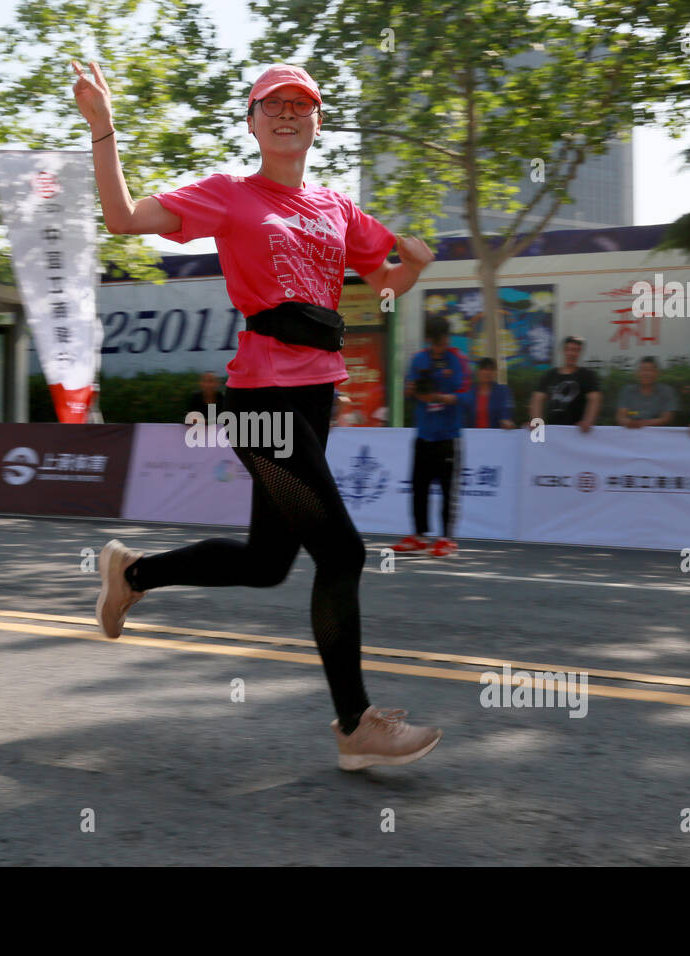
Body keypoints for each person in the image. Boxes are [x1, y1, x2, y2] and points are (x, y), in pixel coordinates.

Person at [73, 59, 443, 770]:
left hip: (314, 395)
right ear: (251, 122)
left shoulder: (339, 208)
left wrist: (415, 265)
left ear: (317, 122)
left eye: (301, 104)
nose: (287, 113)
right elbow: (122, 219)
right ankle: (353, 725)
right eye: (272, 104)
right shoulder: (228, 196)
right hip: (260, 402)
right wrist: (104, 129)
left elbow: (385, 279)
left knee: (268, 562)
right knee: (342, 551)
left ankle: (133, 574)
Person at [391, 315, 469, 557]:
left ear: (448, 337)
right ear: (428, 339)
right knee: (419, 487)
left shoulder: (457, 360)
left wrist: (441, 397)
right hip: (424, 435)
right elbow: (408, 390)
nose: (439, 346)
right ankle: (419, 535)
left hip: (447, 436)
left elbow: (467, 395)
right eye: (435, 342)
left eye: (442, 340)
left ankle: (446, 538)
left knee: (448, 490)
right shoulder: (419, 359)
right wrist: (412, 391)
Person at [529, 335, 601, 431]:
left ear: (579, 353)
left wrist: (588, 420)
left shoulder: (587, 375)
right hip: (552, 430)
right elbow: (537, 398)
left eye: (576, 350)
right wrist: (536, 420)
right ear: (564, 350)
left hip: (578, 431)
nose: (571, 353)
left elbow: (595, 399)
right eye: (569, 349)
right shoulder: (550, 375)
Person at [616, 356, 677, 427]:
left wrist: (642, 423)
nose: (646, 374)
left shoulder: (667, 391)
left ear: (657, 373)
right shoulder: (627, 390)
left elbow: (667, 418)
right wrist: (628, 422)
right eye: (642, 370)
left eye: (650, 370)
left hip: (658, 432)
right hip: (632, 431)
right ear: (637, 373)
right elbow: (621, 416)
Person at [459, 357, 515, 430]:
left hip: (496, 437)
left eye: (491, 369)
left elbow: (506, 410)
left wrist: (506, 421)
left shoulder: (503, 391)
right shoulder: (469, 392)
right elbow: (462, 415)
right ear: (478, 372)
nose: (488, 372)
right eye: (484, 369)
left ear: (495, 373)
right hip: (472, 437)